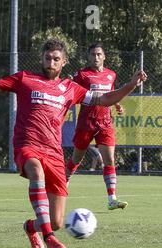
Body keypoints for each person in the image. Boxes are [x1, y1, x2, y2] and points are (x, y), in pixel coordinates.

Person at [0, 39, 146, 248]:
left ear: (64, 62)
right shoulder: (24, 79)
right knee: (36, 172)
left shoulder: (70, 88)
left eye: (56, 59)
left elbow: (105, 99)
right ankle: (49, 237)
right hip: (27, 145)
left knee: (57, 221)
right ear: (41, 58)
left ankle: (32, 227)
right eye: (47, 57)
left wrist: (131, 85)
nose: (51, 62)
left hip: (54, 153)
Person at [66, 43, 127, 210]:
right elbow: (70, 88)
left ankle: (112, 199)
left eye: (99, 54)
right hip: (86, 123)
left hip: (105, 123)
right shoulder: (82, 74)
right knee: (76, 159)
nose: (96, 57)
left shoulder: (111, 75)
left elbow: (112, 94)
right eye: (93, 54)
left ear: (104, 56)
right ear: (88, 57)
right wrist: (69, 82)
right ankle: (62, 185)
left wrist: (117, 105)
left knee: (109, 160)